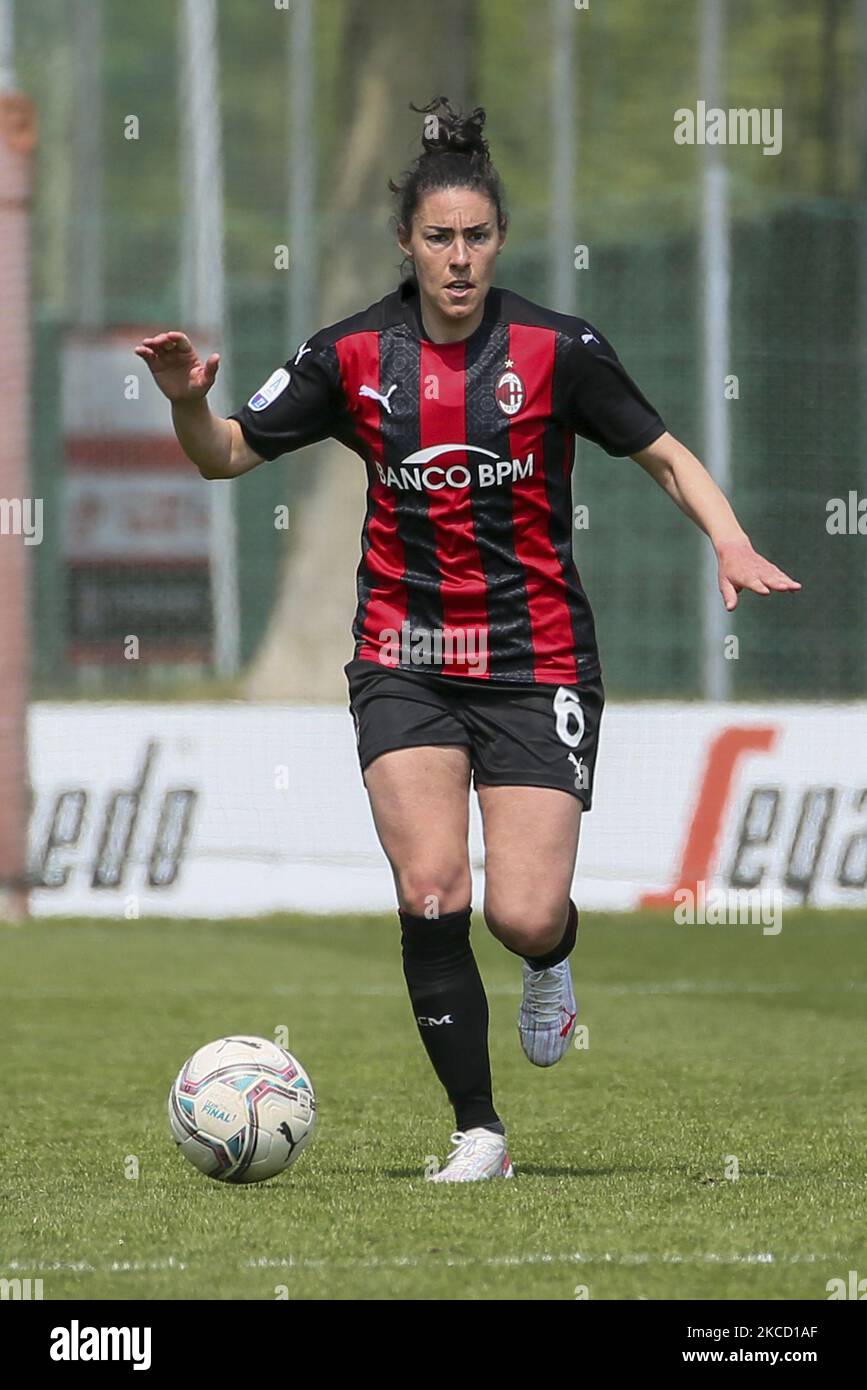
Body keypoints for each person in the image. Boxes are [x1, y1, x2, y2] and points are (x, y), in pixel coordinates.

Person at [134, 96, 800, 1184]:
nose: (458, 258)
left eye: (476, 237)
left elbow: (669, 455)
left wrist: (728, 539)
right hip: (404, 656)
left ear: (499, 239)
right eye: (438, 238)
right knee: (433, 890)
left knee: (522, 912)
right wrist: (183, 404)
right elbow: (224, 457)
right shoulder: (349, 355)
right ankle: (478, 1131)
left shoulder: (558, 349)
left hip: (537, 662)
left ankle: (554, 957)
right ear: (406, 242)